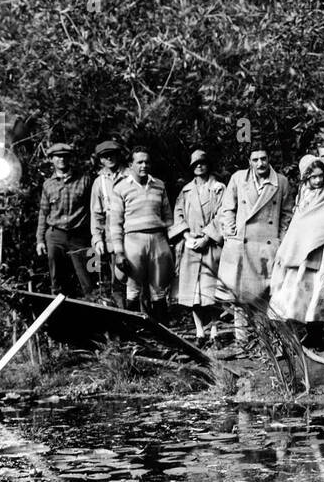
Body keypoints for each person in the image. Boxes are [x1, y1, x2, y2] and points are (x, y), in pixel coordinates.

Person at [212, 147, 295, 353]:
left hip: (267, 247)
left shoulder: (281, 182)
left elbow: (286, 215)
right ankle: (242, 342)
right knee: (240, 298)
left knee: (266, 297)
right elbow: (227, 208)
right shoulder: (239, 179)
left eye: (264, 159)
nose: (260, 164)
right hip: (242, 246)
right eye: (255, 159)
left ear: (269, 159)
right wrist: (229, 230)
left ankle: (266, 341)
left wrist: (281, 241)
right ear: (249, 161)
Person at [268, 155, 324, 338]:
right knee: (298, 289)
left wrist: (312, 236)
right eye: (313, 177)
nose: (318, 180)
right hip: (301, 250)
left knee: (317, 289)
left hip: (320, 248)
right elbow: (298, 223)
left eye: (320, 176)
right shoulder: (303, 194)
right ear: (306, 177)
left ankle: (316, 332)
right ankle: (298, 331)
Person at [107, 146, 174, 320]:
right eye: (139, 162)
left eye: (147, 162)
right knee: (133, 289)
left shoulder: (159, 185)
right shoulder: (120, 188)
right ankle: (134, 335)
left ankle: (163, 333)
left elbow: (168, 218)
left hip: (158, 240)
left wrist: (172, 244)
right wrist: (120, 252)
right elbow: (115, 224)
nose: (144, 165)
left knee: (159, 290)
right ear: (131, 165)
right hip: (133, 242)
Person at [169, 149, 226, 339]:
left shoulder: (218, 188)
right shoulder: (185, 191)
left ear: (208, 165)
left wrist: (207, 237)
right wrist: (187, 237)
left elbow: (223, 214)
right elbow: (177, 214)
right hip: (191, 245)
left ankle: (215, 330)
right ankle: (199, 330)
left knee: (211, 291)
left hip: (210, 245)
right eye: (195, 164)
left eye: (202, 163)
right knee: (192, 292)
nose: (199, 166)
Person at [36, 142, 94, 298]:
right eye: (57, 156)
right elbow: (43, 212)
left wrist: (97, 236)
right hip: (55, 236)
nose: (61, 159)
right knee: (57, 280)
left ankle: (94, 314)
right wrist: (40, 240)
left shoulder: (85, 180)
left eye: (65, 156)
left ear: (70, 158)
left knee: (88, 280)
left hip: (80, 236)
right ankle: (59, 317)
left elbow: (95, 210)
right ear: (52, 160)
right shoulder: (48, 184)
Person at [89, 139, 126, 306]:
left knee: (138, 283)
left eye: (112, 154)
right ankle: (125, 320)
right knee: (117, 282)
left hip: (134, 236)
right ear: (100, 160)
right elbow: (96, 214)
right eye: (105, 156)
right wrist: (97, 239)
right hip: (112, 239)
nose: (109, 159)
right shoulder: (99, 182)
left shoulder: (130, 176)